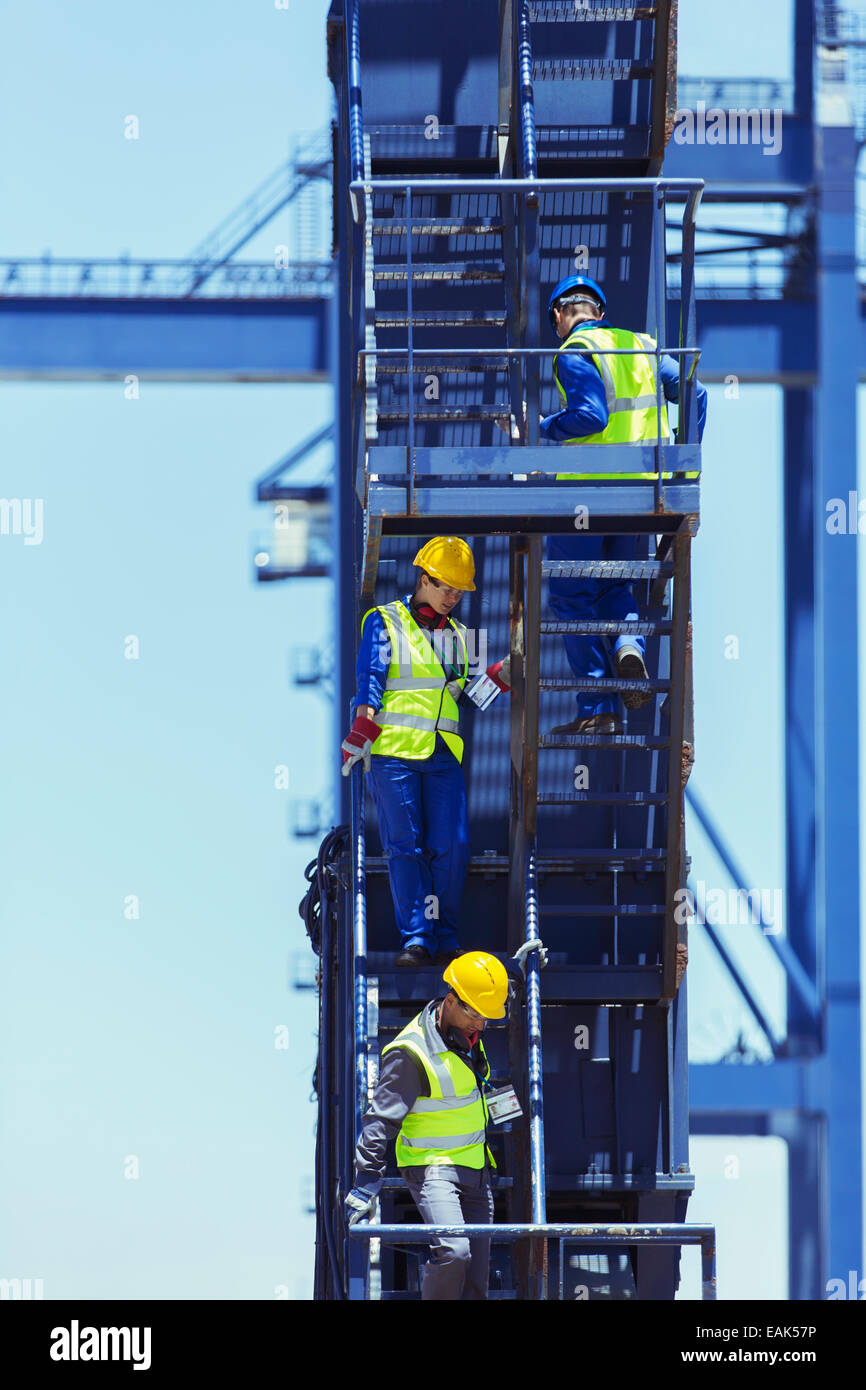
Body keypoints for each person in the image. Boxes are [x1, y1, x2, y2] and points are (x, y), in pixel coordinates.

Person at [539, 274, 708, 736]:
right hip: (639, 497)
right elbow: (696, 391)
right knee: (615, 589)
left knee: (573, 597)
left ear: (559, 314)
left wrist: (545, 427)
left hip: (586, 498)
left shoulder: (574, 351)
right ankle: (628, 647)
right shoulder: (642, 346)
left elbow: (590, 416)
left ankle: (599, 706)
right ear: (600, 309)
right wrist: (685, 470)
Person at [344, 945, 547, 1300]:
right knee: (455, 1252)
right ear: (452, 1000)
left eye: (487, 1017)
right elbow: (380, 1120)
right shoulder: (411, 1054)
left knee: (475, 1281)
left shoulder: (468, 1020)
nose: (481, 1024)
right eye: (476, 1015)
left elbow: (499, 989)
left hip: (476, 1169)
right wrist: (365, 1184)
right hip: (432, 1169)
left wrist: (517, 966)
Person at [341, 537, 476, 968]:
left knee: (452, 846)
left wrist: (502, 673)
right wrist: (362, 728)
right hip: (392, 753)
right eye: (445, 588)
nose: (452, 598)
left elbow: (467, 692)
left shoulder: (461, 636)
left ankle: (446, 937)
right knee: (406, 846)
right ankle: (418, 938)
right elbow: (372, 679)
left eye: (459, 592)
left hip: (440, 754)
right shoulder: (384, 620)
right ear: (423, 580)